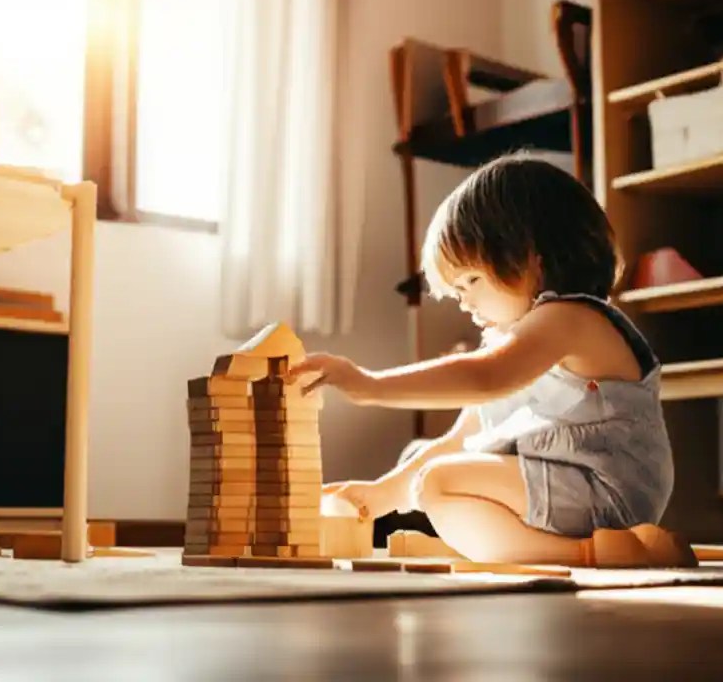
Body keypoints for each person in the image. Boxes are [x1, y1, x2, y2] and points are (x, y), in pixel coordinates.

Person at [289, 151, 696, 567]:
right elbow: (460, 438)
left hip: (609, 491)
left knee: (439, 482)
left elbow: (486, 377)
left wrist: (369, 386)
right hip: (567, 487)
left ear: (533, 259)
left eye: (471, 280)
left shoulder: (570, 318)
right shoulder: (515, 339)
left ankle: (591, 554)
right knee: (429, 468)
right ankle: (516, 546)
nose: (463, 300)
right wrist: (379, 494)